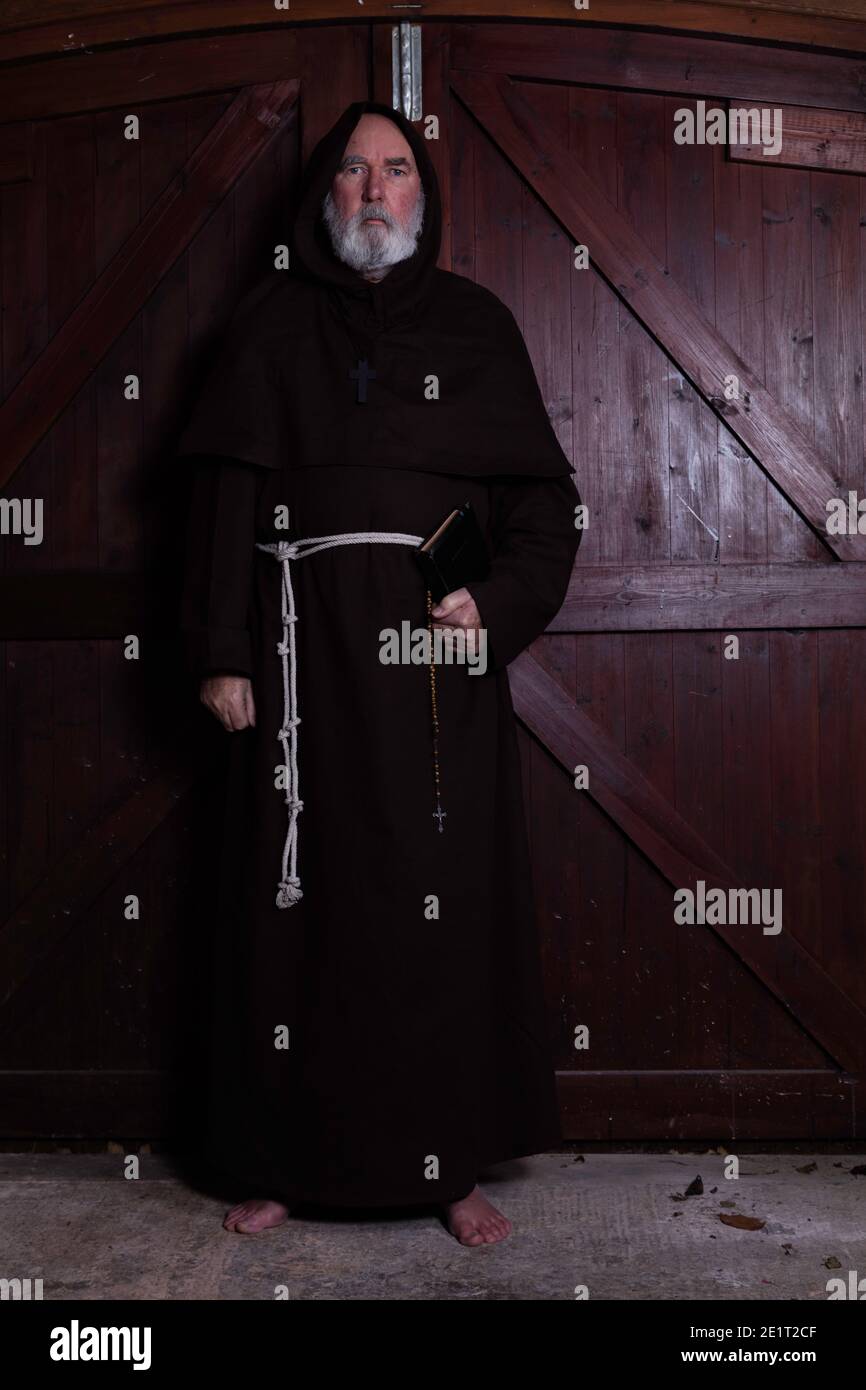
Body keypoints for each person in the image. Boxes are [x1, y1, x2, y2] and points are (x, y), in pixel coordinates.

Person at [178, 99, 581, 1247]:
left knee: (430, 920)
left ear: (423, 197)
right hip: (297, 671)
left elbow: (545, 514)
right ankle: (279, 1161)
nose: (371, 190)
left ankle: (445, 1164)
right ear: (323, 200)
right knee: (288, 914)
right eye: (351, 171)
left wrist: (491, 608)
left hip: (429, 681)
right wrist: (218, 653)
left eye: (394, 171)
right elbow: (221, 506)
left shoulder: (476, 328)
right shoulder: (266, 328)